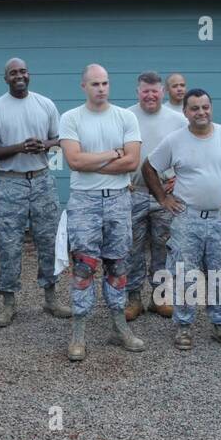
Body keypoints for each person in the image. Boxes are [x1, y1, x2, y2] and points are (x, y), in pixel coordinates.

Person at [143, 88, 221, 349]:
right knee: (184, 274)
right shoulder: (174, 140)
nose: (201, 112)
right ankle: (183, 327)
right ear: (185, 112)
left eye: (205, 107)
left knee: (220, 273)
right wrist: (163, 199)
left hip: (218, 219)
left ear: (211, 108)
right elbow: (149, 167)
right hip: (186, 218)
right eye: (194, 108)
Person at [59, 63, 145, 361]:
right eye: (95, 84)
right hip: (84, 200)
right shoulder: (70, 118)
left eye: (105, 83)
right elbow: (74, 162)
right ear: (84, 86)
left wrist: (92, 160)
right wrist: (112, 154)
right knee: (84, 265)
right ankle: (79, 332)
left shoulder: (125, 117)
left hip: (119, 199)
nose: (101, 89)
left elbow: (132, 162)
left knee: (118, 263)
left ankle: (119, 326)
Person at [0, 57, 70, 325]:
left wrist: (44, 145)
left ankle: (51, 298)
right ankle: (8, 303)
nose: (19, 76)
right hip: (11, 183)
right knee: (8, 244)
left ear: (29, 75)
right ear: (5, 78)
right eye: (13, 73)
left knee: (49, 241)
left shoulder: (45, 104)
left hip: (42, 180)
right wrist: (18, 147)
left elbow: (60, 139)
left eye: (23, 71)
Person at [126, 71, 188, 319]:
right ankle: (133, 299)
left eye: (154, 91)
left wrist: (180, 179)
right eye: (145, 90)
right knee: (132, 248)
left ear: (162, 92)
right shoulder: (125, 117)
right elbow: (117, 152)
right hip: (134, 193)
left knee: (163, 247)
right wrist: (122, 181)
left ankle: (159, 298)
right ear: (137, 91)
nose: (150, 95)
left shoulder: (178, 120)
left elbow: (189, 153)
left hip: (165, 196)